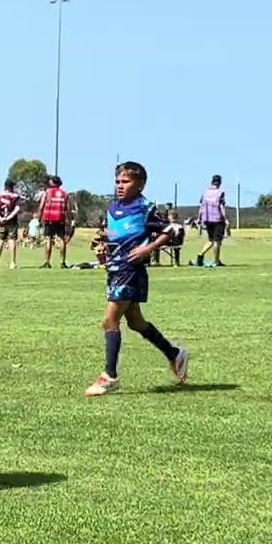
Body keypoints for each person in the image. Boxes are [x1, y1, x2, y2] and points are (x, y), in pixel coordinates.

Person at [85, 162, 189, 397]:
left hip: (130, 271)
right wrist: (102, 247)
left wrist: (148, 249)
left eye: (126, 182)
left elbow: (172, 230)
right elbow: (111, 235)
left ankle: (109, 376)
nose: (120, 186)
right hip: (114, 269)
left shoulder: (145, 209)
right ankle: (174, 354)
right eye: (118, 181)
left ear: (140, 184)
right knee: (135, 322)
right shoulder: (113, 208)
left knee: (110, 320)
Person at [38, 175, 71, 267]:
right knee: (61, 239)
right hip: (60, 218)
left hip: (49, 218)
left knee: (48, 238)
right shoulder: (65, 193)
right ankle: (62, 262)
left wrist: (39, 218)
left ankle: (47, 262)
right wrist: (70, 219)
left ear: (52, 182)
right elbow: (68, 208)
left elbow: (41, 206)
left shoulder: (47, 192)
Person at [195, 175, 228, 266]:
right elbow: (221, 207)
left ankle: (200, 256)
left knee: (211, 240)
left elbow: (201, 207)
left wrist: (199, 218)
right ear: (220, 182)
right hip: (218, 219)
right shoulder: (220, 192)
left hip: (207, 219)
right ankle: (216, 261)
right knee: (217, 241)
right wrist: (225, 219)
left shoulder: (205, 192)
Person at [0, 179, 22, 269]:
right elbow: (17, 209)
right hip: (11, 221)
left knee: (0, 240)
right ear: (12, 186)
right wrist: (8, 218)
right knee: (11, 240)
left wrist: (0, 218)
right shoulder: (15, 196)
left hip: (0, 222)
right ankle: (12, 263)